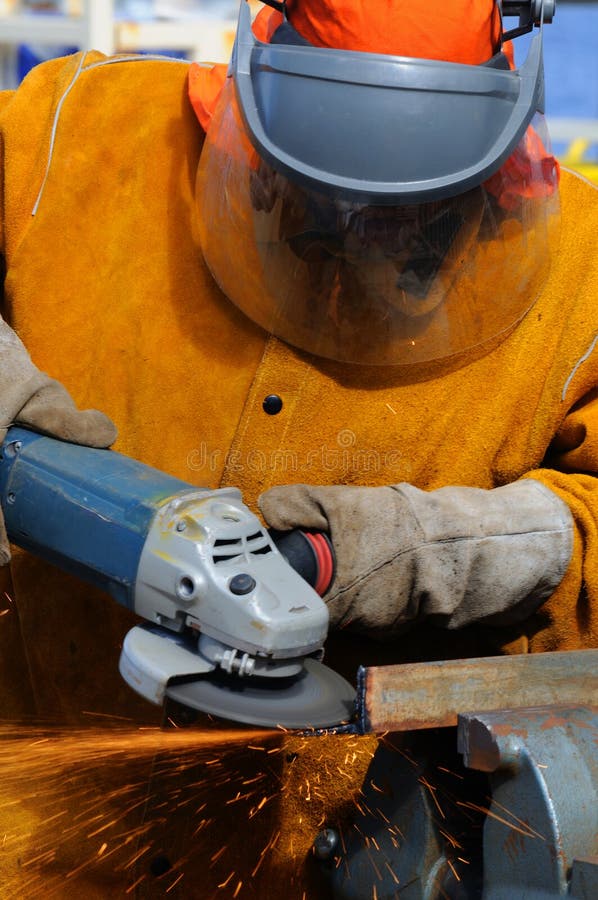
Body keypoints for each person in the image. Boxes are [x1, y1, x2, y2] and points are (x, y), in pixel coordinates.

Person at [0, 0, 595, 895]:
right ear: (258, 61)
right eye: (322, 199)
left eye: (410, 213)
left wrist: (411, 553)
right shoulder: (74, 135)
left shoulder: (582, 275)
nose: (360, 228)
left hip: (335, 866)